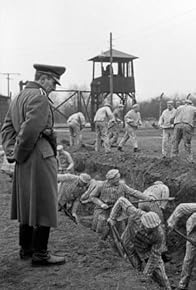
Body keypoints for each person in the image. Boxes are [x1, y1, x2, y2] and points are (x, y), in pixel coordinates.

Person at [1, 64, 66, 266]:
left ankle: (26, 249)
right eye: (53, 82)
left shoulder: (19, 96)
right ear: (44, 78)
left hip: (25, 158)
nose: (53, 87)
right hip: (39, 155)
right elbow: (30, 130)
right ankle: (40, 254)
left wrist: (12, 152)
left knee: (28, 201)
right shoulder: (39, 96)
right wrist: (19, 152)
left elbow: (7, 129)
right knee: (45, 203)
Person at [108, 197, 171, 290]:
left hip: (146, 250)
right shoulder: (136, 213)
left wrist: (146, 274)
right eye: (148, 228)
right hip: (130, 244)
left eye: (152, 229)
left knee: (161, 276)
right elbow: (121, 200)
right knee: (134, 270)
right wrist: (112, 218)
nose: (150, 230)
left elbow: (155, 256)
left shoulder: (159, 234)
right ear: (142, 221)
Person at [90, 169, 151, 238]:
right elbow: (92, 197)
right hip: (103, 210)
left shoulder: (122, 186)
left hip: (118, 209)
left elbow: (134, 193)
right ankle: (101, 241)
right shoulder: (101, 186)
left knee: (120, 229)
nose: (118, 181)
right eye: (116, 179)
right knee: (102, 226)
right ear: (110, 180)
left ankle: (119, 242)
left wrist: (147, 198)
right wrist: (101, 204)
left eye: (119, 179)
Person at [138, 180, 171, 261]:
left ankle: (145, 250)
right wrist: (162, 209)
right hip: (151, 202)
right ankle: (162, 252)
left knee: (145, 225)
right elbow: (164, 200)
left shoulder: (149, 188)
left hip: (140, 203)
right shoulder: (164, 187)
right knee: (159, 225)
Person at [167, 203, 196, 290]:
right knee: (189, 258)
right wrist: (171, 222)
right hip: (194, 229)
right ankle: (182, 285)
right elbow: (181, 208)